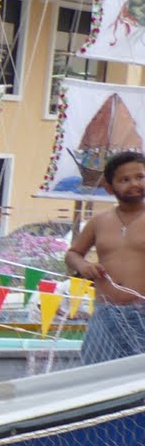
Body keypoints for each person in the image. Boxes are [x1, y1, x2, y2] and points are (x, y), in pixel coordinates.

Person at [66, 150, 145, 364]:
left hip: (143, 311)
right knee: (96, 378)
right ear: (109, 187)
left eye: (140, 177)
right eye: (124, 180)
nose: (134, 184)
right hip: (105, 313)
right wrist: (83, 266)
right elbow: (73, 254)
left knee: (139, 379)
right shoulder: (99, 222)